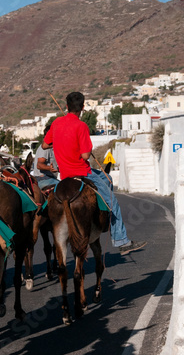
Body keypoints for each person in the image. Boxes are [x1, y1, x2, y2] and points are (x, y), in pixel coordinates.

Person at [43, 91, 145, 256]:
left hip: (64, 175)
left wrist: (60, 140)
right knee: (113, 202)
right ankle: (122, 241)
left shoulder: (56, 123)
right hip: (83, 173)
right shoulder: (81, 126)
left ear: (66, 106)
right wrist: (86, 148)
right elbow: (84, 156)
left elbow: (45, 144)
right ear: (82, 107)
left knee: (108, 178)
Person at [32, 119, 59, 190]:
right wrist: (49, 168)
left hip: (49, 178)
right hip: (43, 179)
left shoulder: (51, 148)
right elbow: (39, 165)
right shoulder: (45, 149)